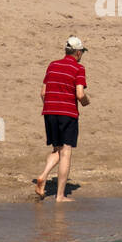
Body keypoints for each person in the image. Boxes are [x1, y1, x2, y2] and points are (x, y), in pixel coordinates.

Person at [34, 37, 90, 203]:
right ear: (78, 53)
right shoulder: (78, 68)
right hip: (67, 113)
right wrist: (86, 102)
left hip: (49, 112)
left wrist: (51, 107)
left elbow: (43, 93)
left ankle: (43, 176)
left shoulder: (52, 65)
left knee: (57, 149)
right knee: (66, 151)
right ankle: (60, 196)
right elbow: (80, 94)